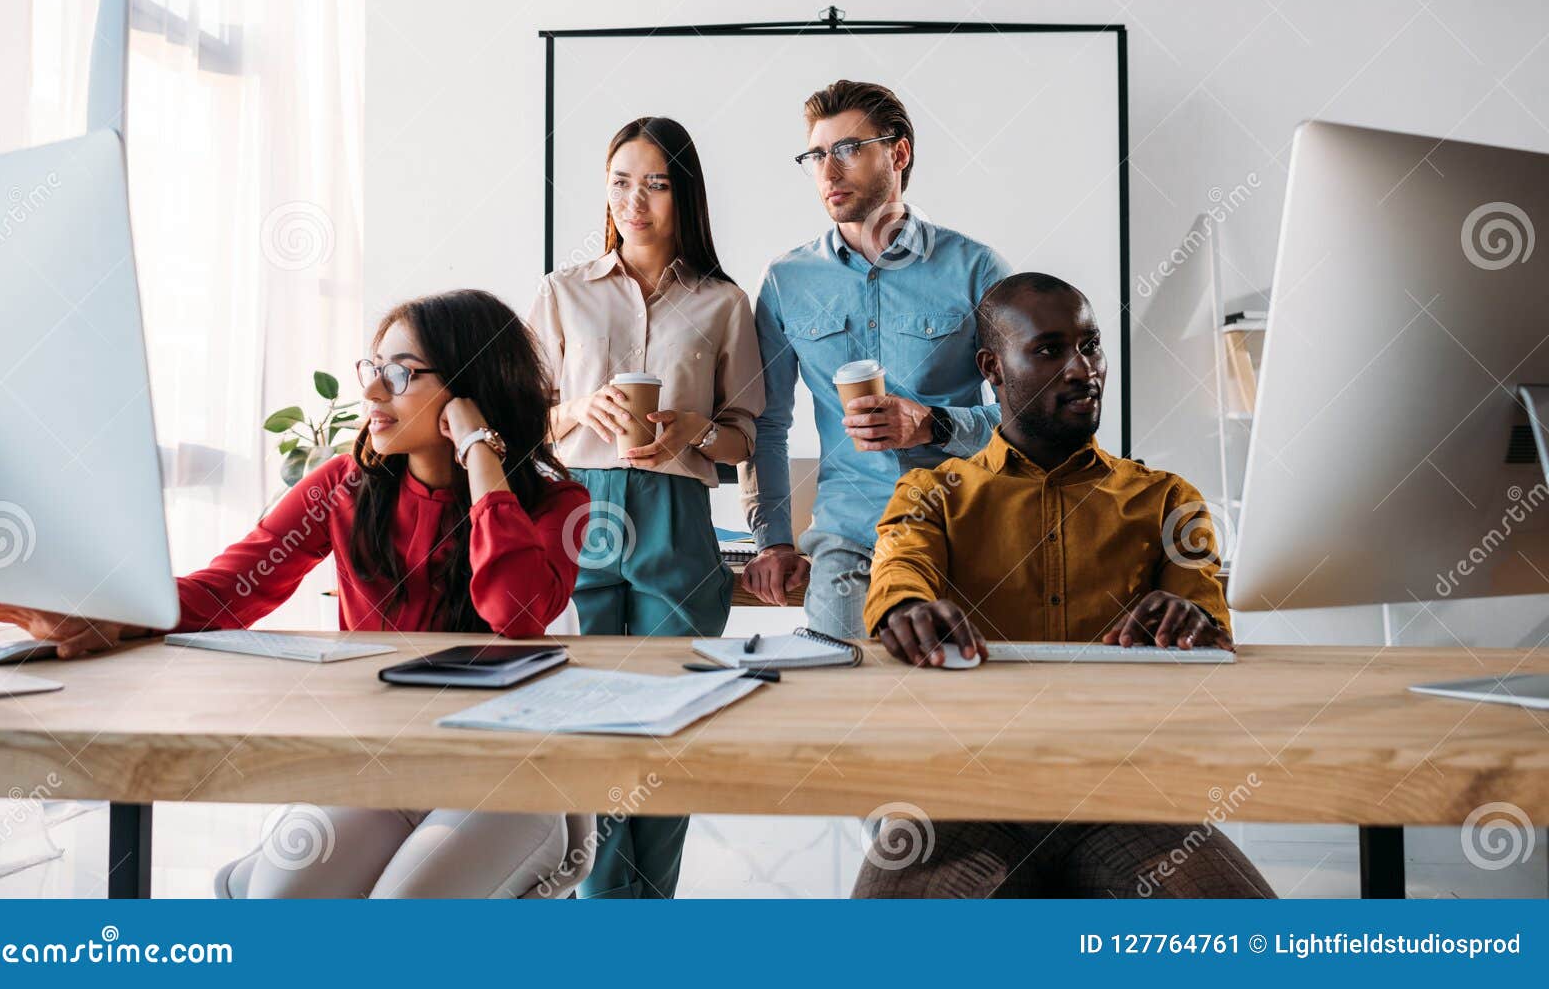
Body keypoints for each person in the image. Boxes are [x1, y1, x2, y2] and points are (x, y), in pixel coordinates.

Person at [0, 289, 593, 898]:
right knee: (282, 908)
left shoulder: (557, 505)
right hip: (385, 765)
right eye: (373, 369)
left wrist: (479, 453)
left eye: (401, 374)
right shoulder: (344, 488)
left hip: (510, 776)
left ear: (470, 389)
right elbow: (226, 592)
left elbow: (515, 614)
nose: (373, 391)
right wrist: (110, 616)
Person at [853, 272, 1274, 899]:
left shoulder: (1167, 501)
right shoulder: (930, 495)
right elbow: (898, 571)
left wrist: (1189, 617)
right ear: (993, 368)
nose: (1083, 369)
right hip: (961, 799)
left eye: (1091, 345)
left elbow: (1205, 613)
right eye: (1050, 350)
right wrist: (908, 608)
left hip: (1126, 798)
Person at [527, 115, 765, 899]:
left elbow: (742, 439)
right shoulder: (564, 293)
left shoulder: (724, 302)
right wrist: (575, 413)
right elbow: (524, 423)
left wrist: (695, 431)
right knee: (588, 732)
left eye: (657, 183)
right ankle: (596, 920)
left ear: (684, 195)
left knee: (668, 739)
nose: (637, 200)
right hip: (577, 514)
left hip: (677, 519)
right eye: (622, 181)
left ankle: (647, 918)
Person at [740, 79, 1011, 638]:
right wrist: (773, 540)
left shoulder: (975, 268)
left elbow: (1028, 418)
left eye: (847, 149)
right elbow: (767, 424)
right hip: (849, 542)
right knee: (840, 698)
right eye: (816, 155)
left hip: (962, 532)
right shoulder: (787, 280)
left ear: (899, 152)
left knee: (970, 709)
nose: (828, 172)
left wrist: (932, 424)